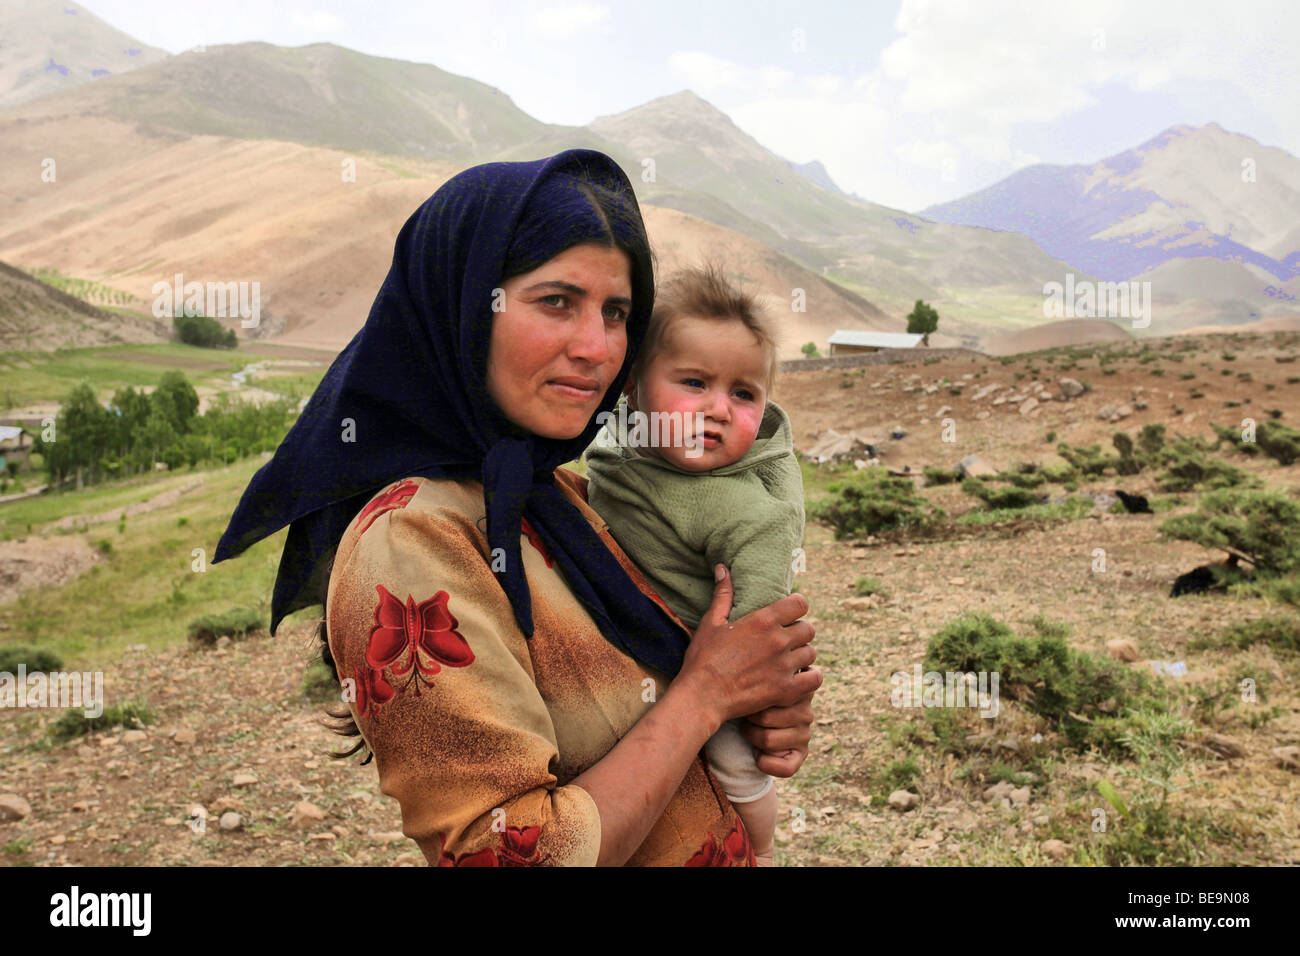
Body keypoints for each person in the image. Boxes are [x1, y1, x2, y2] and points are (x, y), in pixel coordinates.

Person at [213, 148, 821, 866]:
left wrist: (754, 700)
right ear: (464, 305)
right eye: (556, 302)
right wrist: (705, 698)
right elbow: (501, 854)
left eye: (618, 313)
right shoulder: (410, 539)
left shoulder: (552, 492)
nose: (597, 348)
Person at [584, 262, 805, 866]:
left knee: (735, 765)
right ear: (632, 386)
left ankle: (756, 845)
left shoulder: (740, 509)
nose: (717, 409)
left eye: (743, 393)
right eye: (693, 383)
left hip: (708, 662)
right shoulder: (616, 445)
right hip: (635, 661)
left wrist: (767, 701)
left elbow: (762, 618)